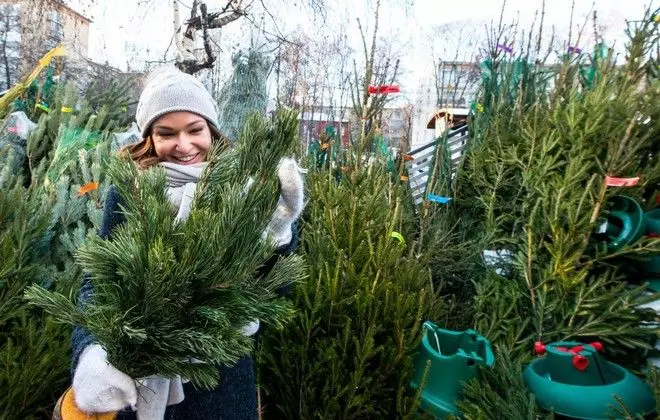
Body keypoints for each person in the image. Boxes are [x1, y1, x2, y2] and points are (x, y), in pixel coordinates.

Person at [68, 68, 304, 420]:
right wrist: (91, 352)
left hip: (220, 383)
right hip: (140, 378)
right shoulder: (131, 188)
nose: (183, 145)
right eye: (167, 133)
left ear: (212, 129)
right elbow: (98, 283)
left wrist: (277, 229)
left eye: (195, 130)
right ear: (149, 137)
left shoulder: (242, 189)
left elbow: (275, 291)